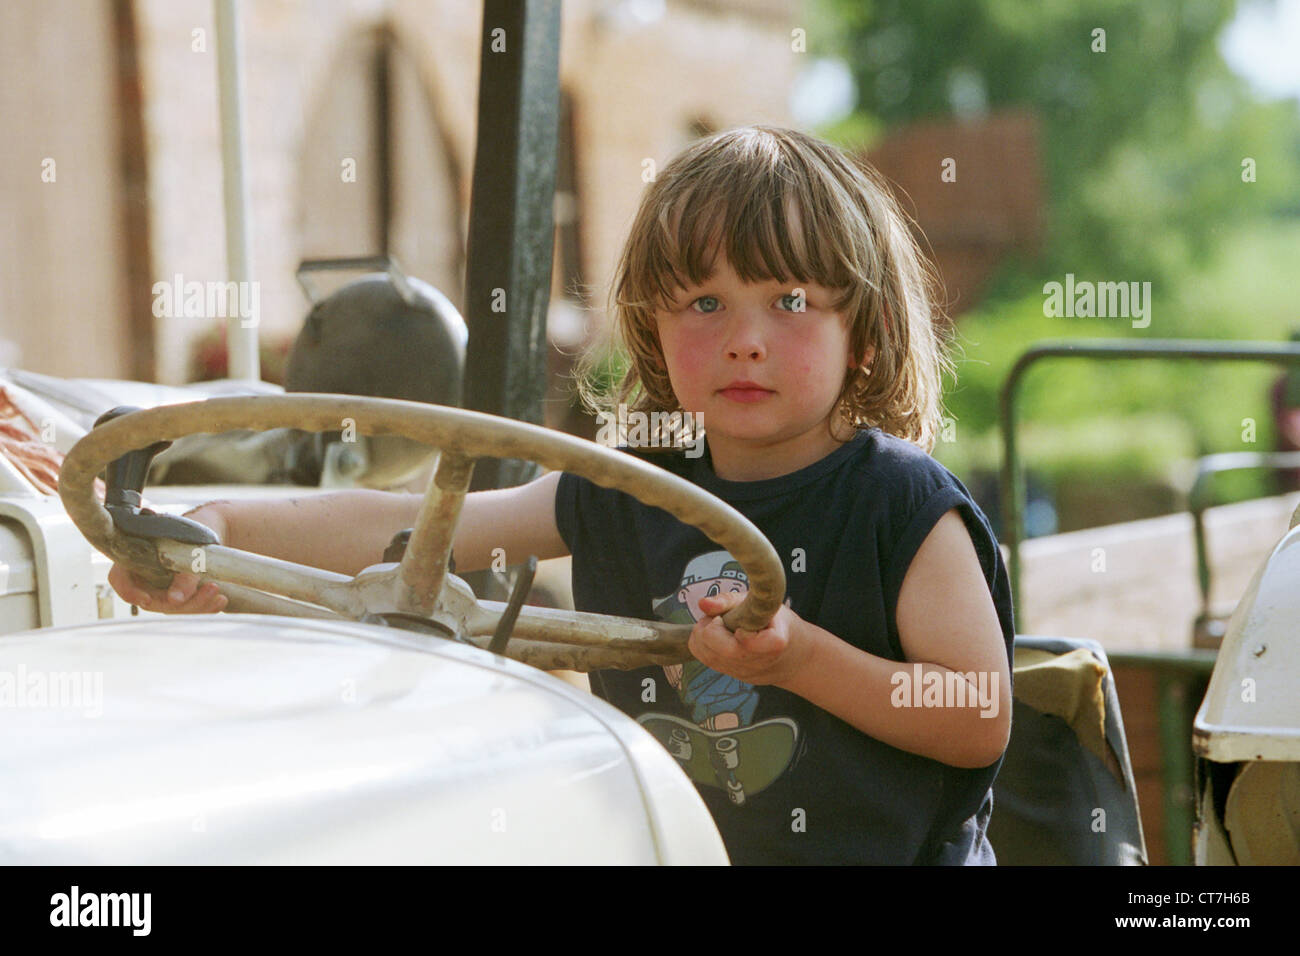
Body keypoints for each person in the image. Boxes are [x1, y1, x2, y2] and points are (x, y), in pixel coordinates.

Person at [109, 125, 1015, 865]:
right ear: (655, 334)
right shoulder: (634, 485)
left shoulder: (901, 506)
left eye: (789, 301)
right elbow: (422, 526)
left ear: (863, 334)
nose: (744, 339)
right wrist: (218, 523)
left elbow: (979, 715)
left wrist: (797, 661)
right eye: (703, 303)